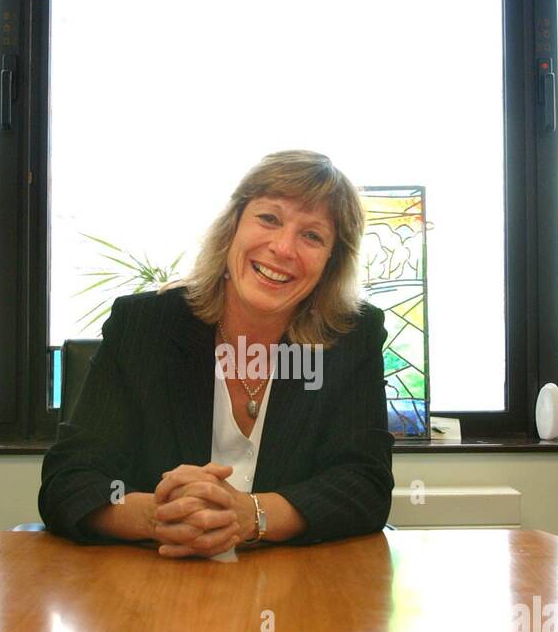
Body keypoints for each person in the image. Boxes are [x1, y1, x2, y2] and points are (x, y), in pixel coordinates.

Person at [38, 149, 395, 556]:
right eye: (269, 218)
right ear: (233, 227)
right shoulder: (144, 326)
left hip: (294, 588)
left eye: (312, 236)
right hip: (154, 583)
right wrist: (158, 516)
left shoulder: (350, 336)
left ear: (332, 262)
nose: (283, 248)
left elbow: (364, 485)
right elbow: (68, 482)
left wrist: (252, 515)